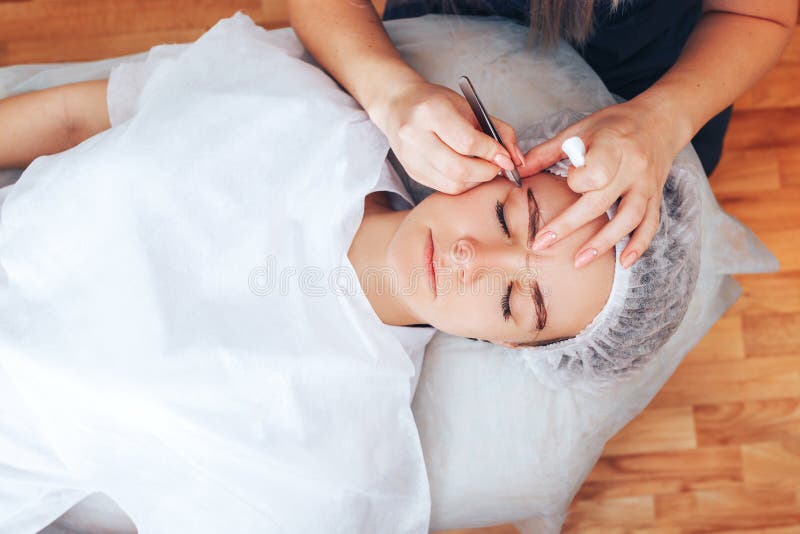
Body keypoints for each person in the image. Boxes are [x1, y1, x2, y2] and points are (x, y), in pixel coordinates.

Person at [288, 0, 796, 272]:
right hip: (433, 41)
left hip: (660, 75)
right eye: (502, 216)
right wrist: (390, 92)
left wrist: (663, 120)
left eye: (513, 303)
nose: (467, 257)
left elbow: (757, 12)